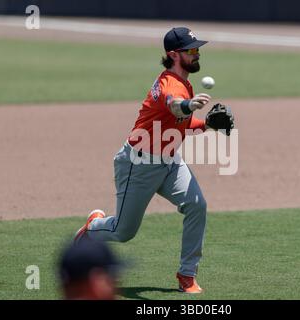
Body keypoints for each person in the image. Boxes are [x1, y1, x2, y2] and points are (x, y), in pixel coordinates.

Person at [74, 27, 212, 294]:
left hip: (169, 161)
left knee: (197, 205)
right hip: (139, 165)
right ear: (173, 55)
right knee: (123, 232)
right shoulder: (168, 84)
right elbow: (174, 106)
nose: (197, 54)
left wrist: (208, 124)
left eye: (197, 49)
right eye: (191, 50)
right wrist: (187, 106)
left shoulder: (184, 82)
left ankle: (187, 274)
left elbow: (178, 124)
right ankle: (92, 228)